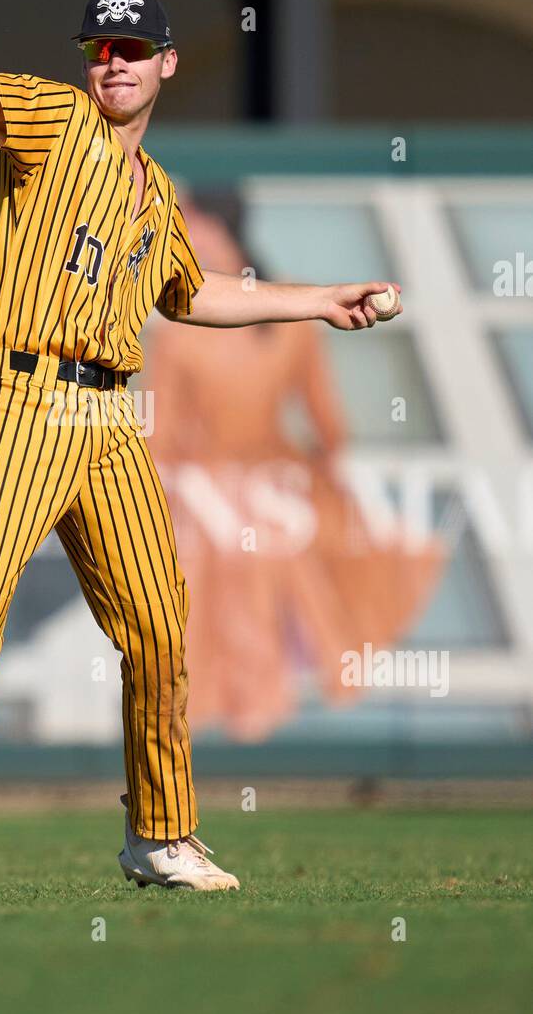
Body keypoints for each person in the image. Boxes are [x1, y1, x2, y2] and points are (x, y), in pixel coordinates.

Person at [0, 0, 401, 896]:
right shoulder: (56, 120)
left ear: (166, 63)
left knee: (158, 626)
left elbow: (192, 292)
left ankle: (163, 835)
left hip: (108, 416)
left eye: (134, 49)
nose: (116, 63)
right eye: (102, 47)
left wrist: (320, 300)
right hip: (16, 398)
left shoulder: (157, 190)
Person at [146, 189, 444, 739]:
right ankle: (249, 730)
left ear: (213, 226)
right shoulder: (275, 316)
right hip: (267, 490)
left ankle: (241, 731)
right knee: (259, 586)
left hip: (237, 494)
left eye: (186, 220)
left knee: (222, 599)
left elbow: (160, 441)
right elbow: (330, 430)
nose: (179, 231)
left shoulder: (187, 326)